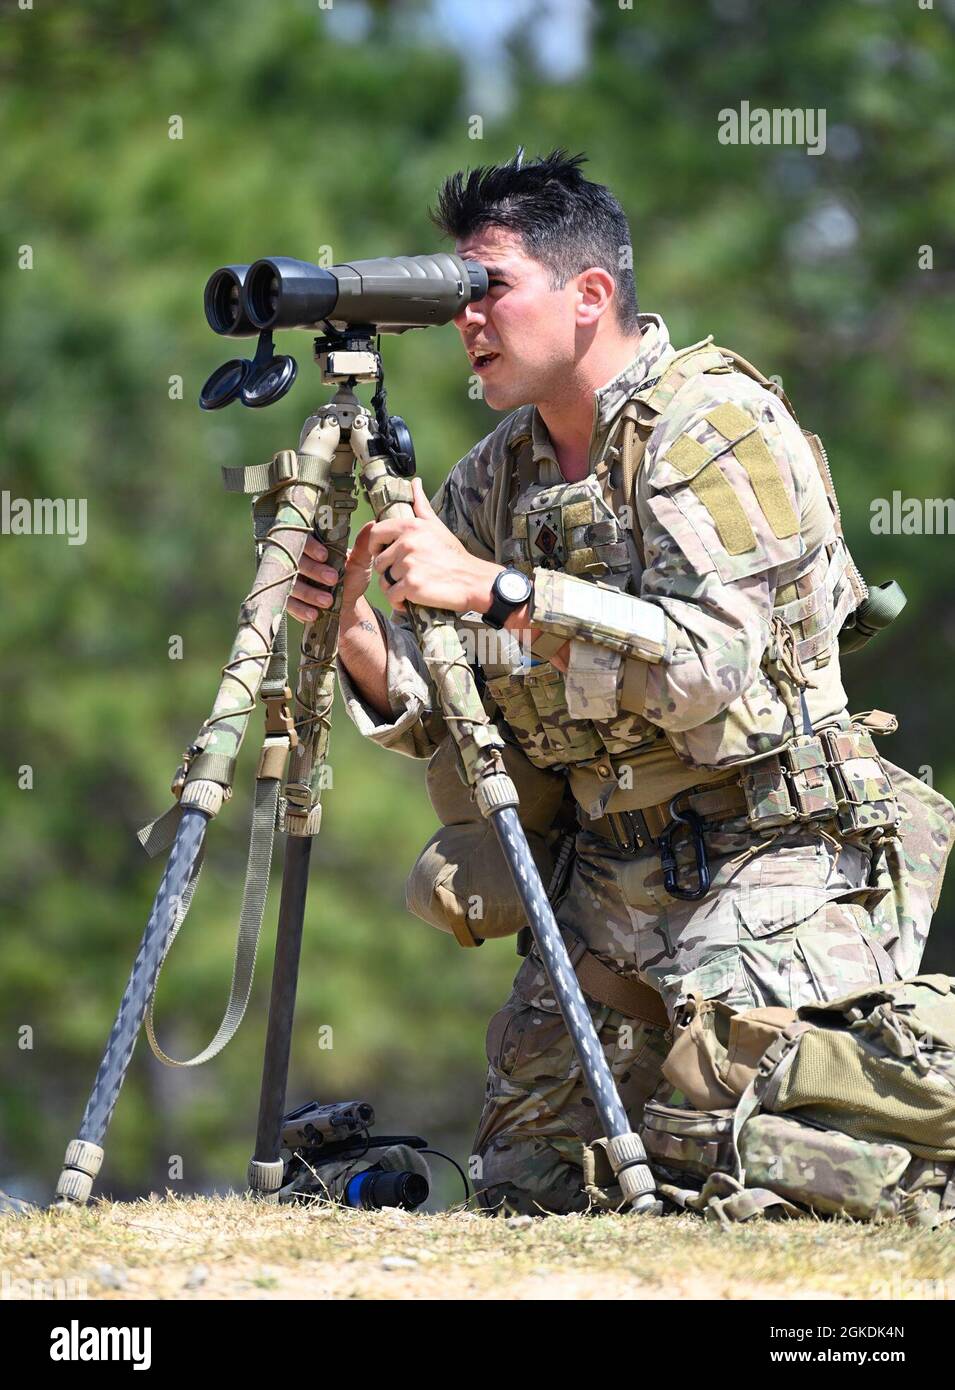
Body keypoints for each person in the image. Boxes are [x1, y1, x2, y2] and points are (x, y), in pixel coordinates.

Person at [287, 150, 907, 1215]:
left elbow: (714, 664)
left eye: (489, 290)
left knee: (735, 1169)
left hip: (772, 860)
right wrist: (349, 630)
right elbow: (457, 704)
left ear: (588, 296)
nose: (465, 321)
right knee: (530, 1196)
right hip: (604, 887)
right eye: (456, 297)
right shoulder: (494, 477)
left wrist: (504, 592)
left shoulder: (712, 425)